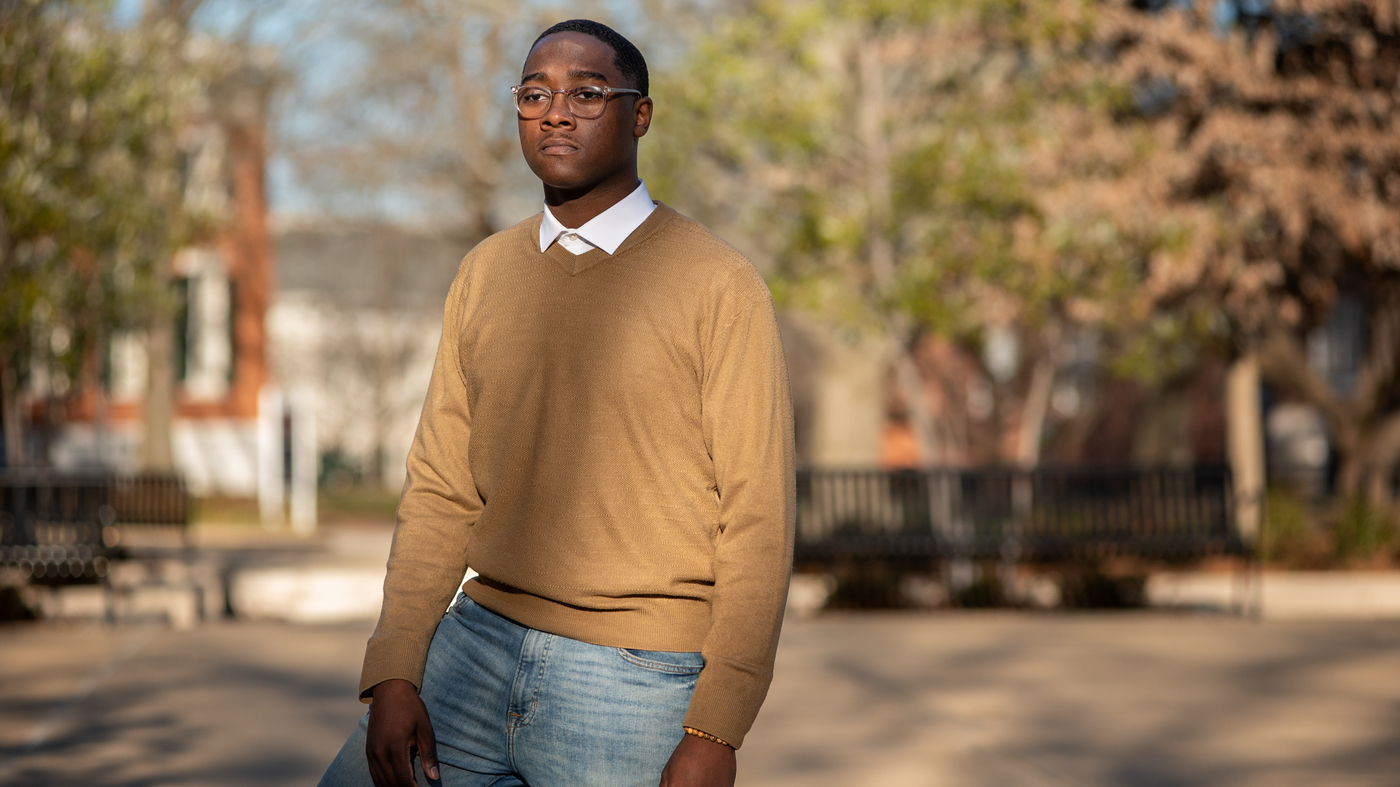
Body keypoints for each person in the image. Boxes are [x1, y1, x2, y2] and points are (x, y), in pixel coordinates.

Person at [317, 18, 795, 787]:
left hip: (635, 675)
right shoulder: (484, 273)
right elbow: (441, 487)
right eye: (534, 94)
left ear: (640, 115)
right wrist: (396, 666)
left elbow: (758, 519)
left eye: (588, 93)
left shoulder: (719, 285)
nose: (556, 112)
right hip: (473, 648)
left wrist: (718, 725)